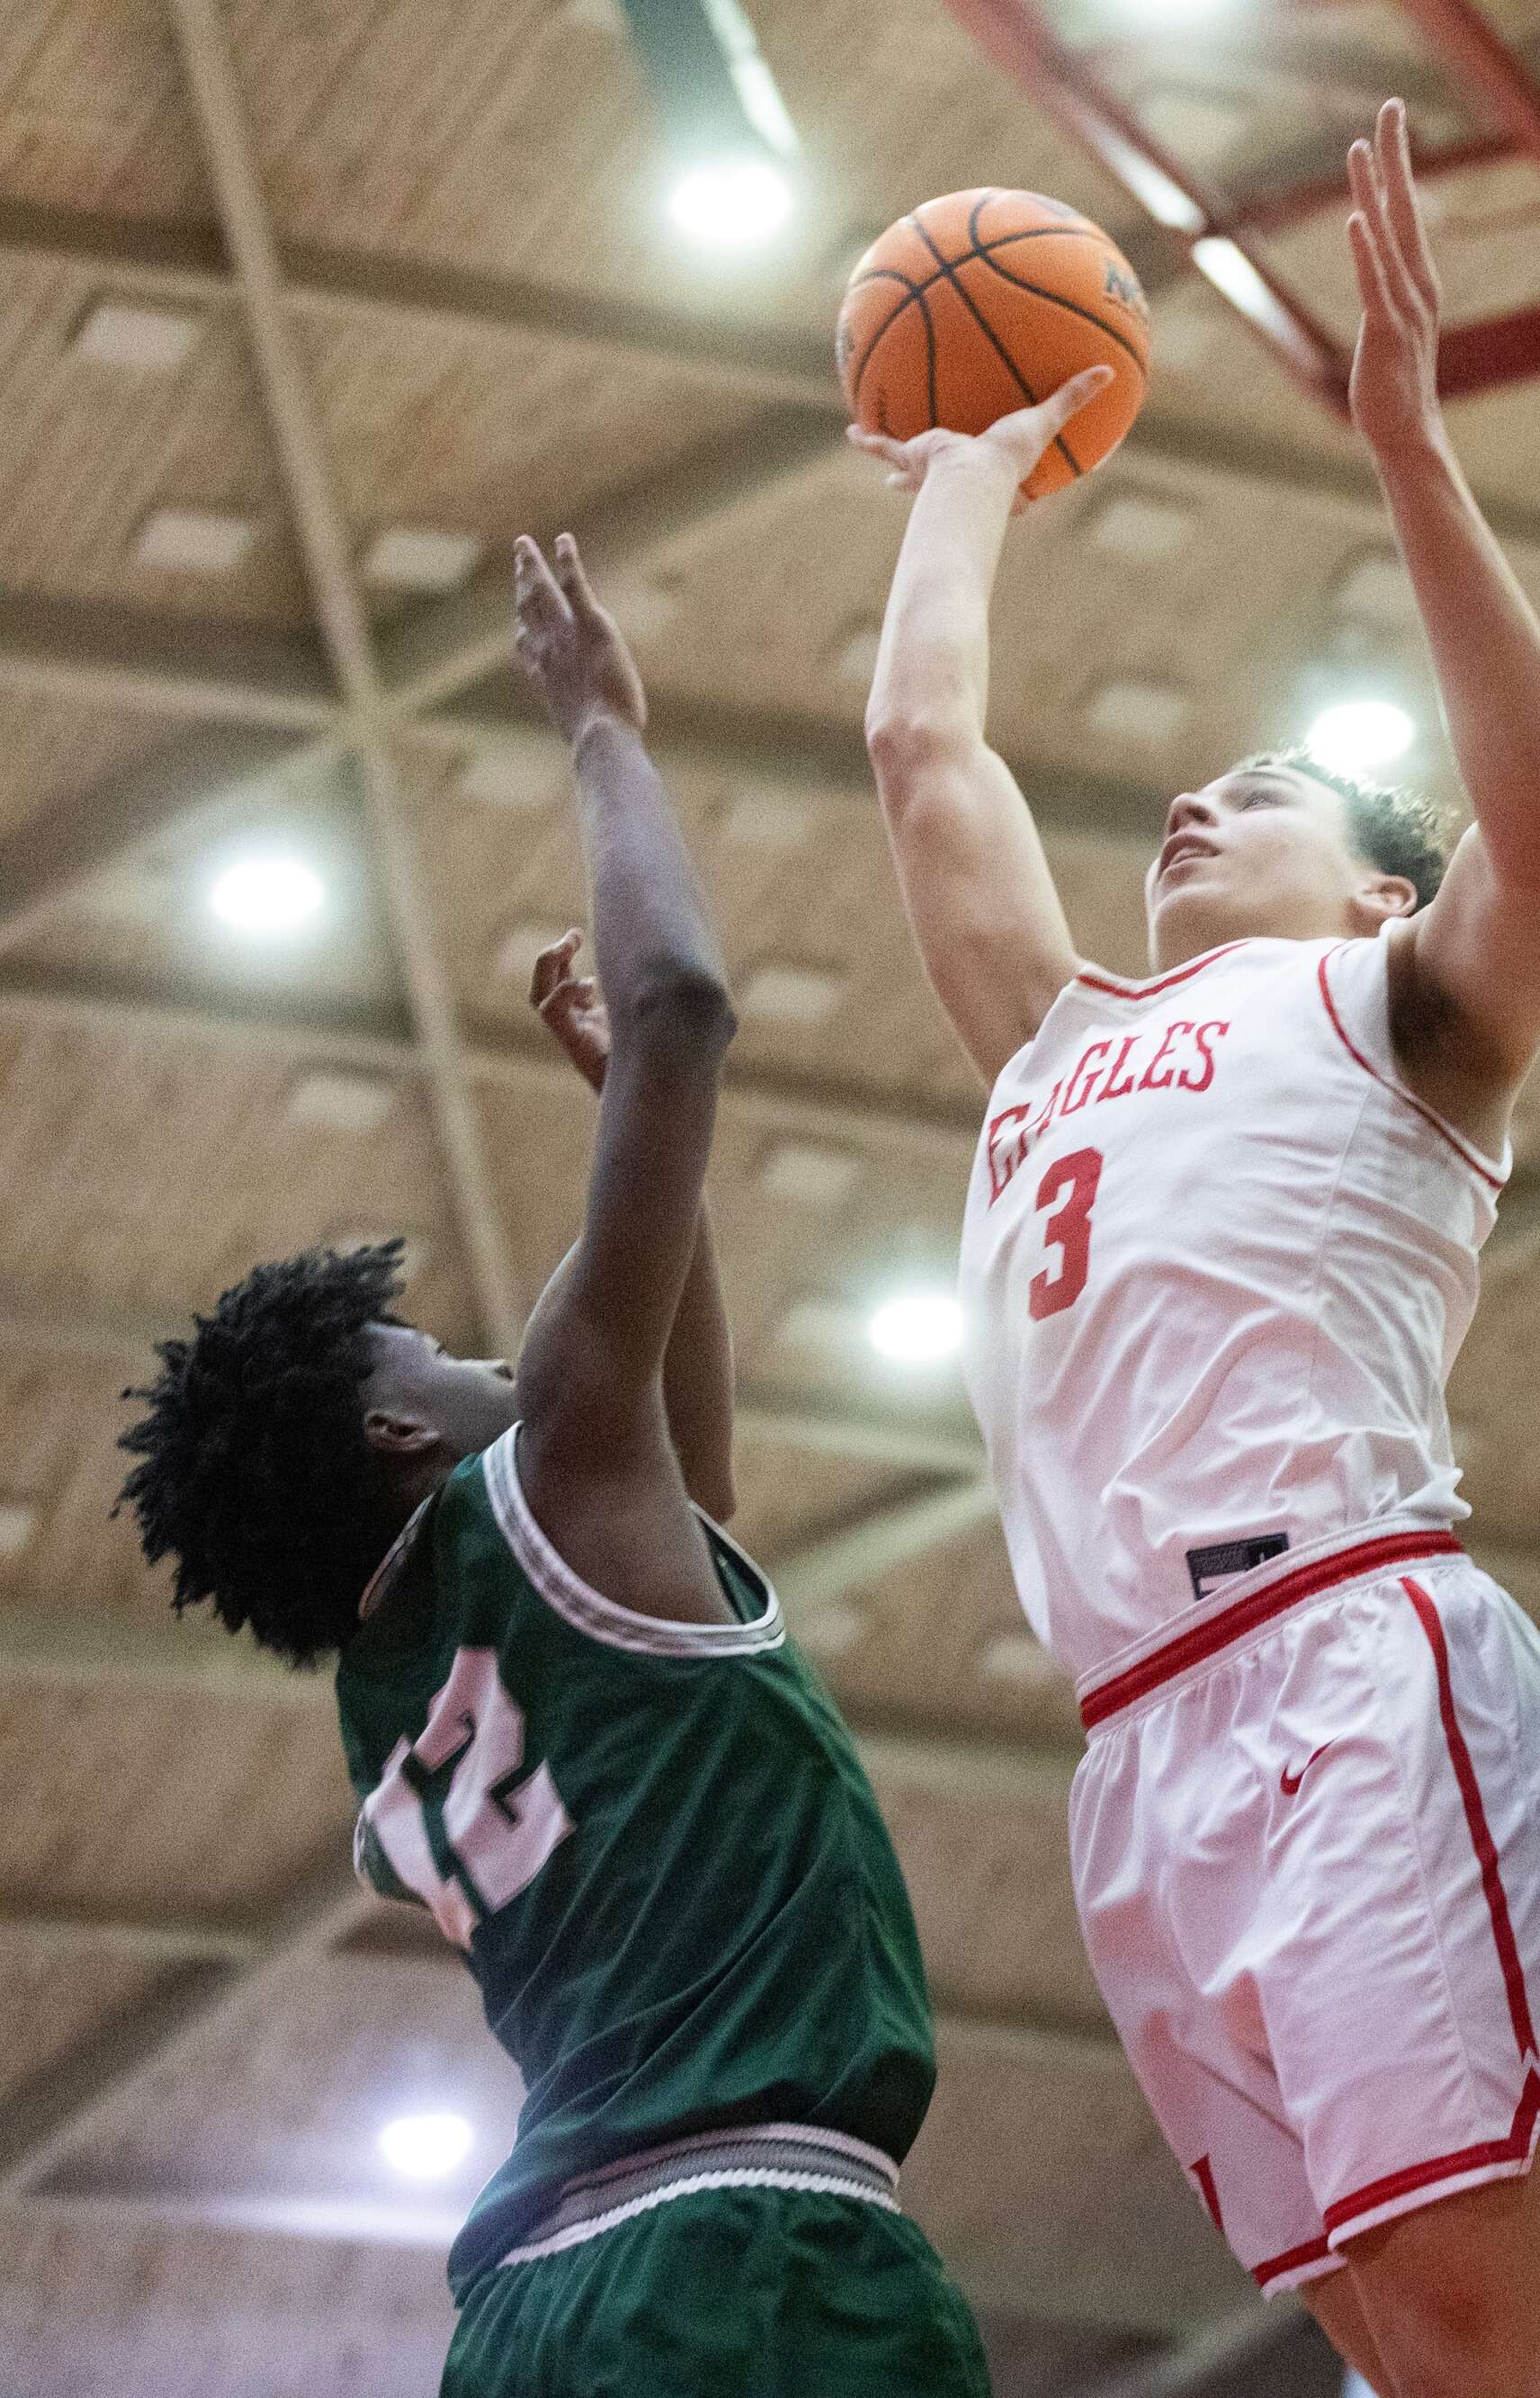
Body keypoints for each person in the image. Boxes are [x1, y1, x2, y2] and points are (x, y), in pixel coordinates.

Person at [851, 105, 1540, 2398]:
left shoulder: (1404, 1005)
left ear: (1378, 885)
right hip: (1139, 1749)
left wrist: (1406, 449)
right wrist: (974, 464)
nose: (1198, 797)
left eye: (1268, 786)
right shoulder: (1045, 1042)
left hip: (1344, 1658)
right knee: (1396, 2352)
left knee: (1490, 2343)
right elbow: (919, 743)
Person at [115, 534, 989, 2397]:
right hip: (752, 2262)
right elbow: (685, 1001)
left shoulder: (393, 1706)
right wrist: (600, 723)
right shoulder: (549, 1481)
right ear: (389, 1432)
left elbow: (707, 1477)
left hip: (529, 2320)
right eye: (426, 1352)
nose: (478, 1354)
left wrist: (618, 1126)